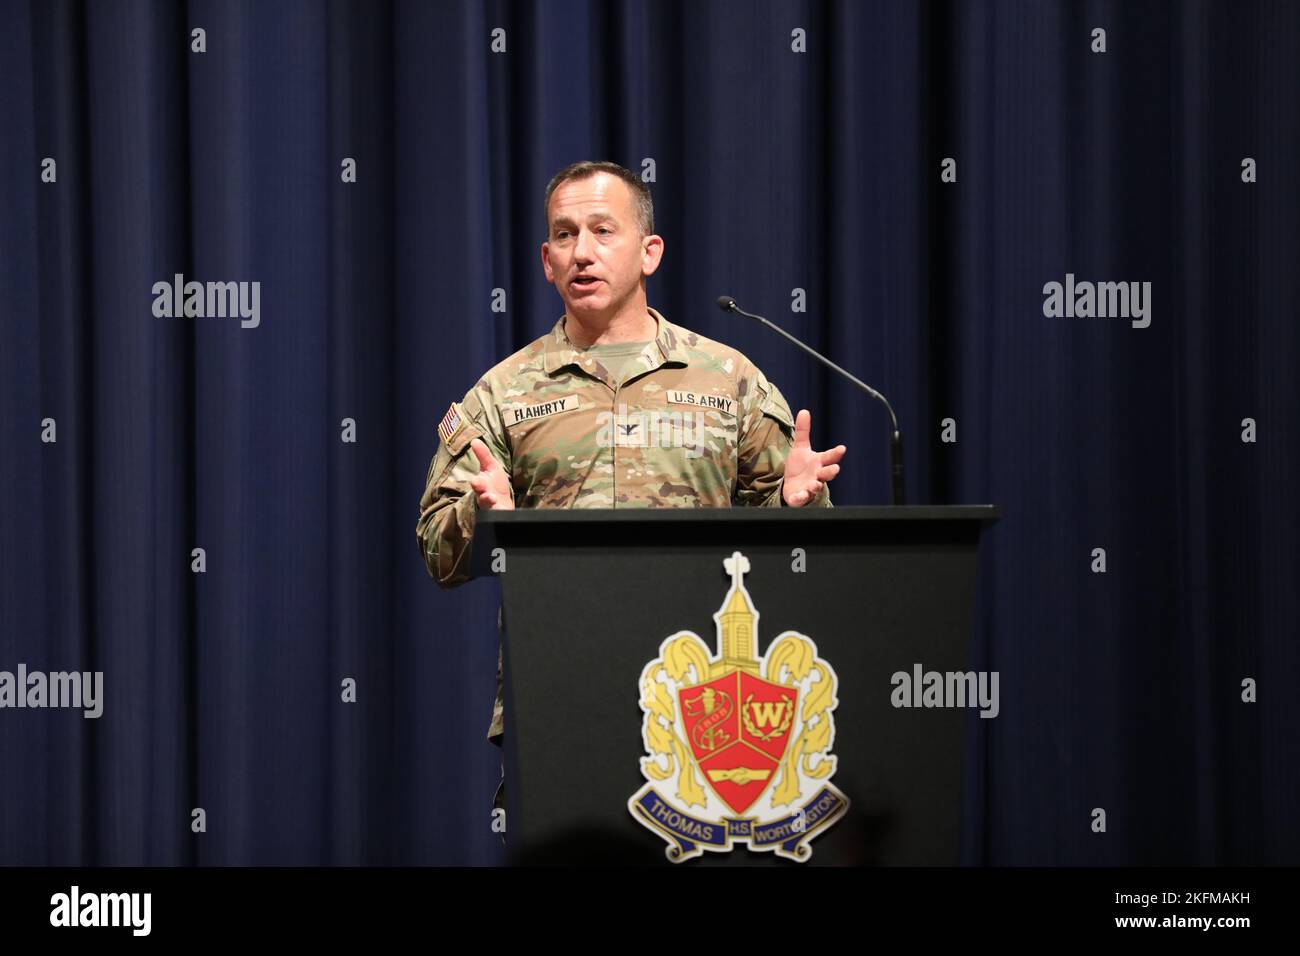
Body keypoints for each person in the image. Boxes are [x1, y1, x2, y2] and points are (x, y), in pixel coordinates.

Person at [415, 161, 847, 804]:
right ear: (545, 260)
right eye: (563, 235)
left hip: (707, 700)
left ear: (649, 252)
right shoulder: (502, 393)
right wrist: (488, 519)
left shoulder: (727, 379)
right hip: (561, 688)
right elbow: (436, 551)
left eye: (601, 230)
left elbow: (809, 551)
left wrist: (795, 504)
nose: (581, 252)